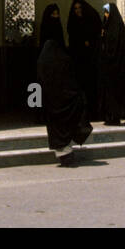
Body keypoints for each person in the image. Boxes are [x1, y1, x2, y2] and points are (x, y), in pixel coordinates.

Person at [36, 29, 93, 166]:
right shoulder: (64, 59)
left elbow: (39, 82)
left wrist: (39, 102)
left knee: (56, 129)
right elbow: (71, 80)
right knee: (65, 126)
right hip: (64, 101)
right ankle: (66, 153)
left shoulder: (42, 62)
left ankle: (64, 155)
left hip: (51, 103)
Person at [98, 2, 125, 125]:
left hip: (118, 67)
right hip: (110, 68)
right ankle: (113, 117)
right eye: (105, 13)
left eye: (107, 12)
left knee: (120, 92)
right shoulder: (106, 27)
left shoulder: (117, 27)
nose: (105, 15)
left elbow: (116, 47)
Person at [66, 0, 102, 116]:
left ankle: (93, 111)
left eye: (79, 8)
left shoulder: (90, 20)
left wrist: (89, 42)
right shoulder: (73, 23)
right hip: (78, 60)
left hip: (91, 60)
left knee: (90, 86)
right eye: (75, 8)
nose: (78, 10)